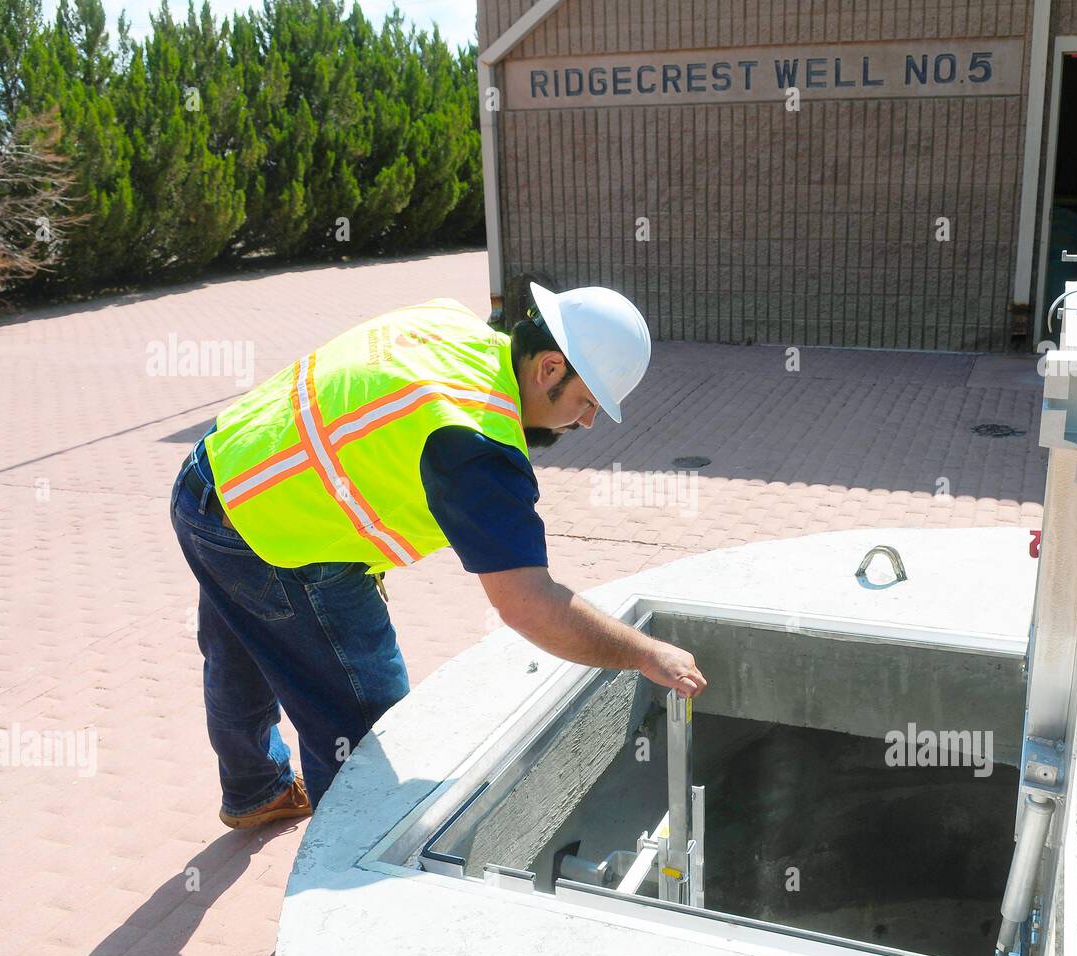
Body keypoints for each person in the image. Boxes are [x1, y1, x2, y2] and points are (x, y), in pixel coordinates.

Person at [170, 284, 707, 828]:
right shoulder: (474, 440)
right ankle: (351, 876)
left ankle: (255, 788)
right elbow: (527, 603)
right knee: (366, 726)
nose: (586, 422)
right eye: (587, 402)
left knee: (242, 642)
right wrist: (643, 653)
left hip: (221, 470)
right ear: (549, 369)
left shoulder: (451, 325)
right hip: (270, 532)